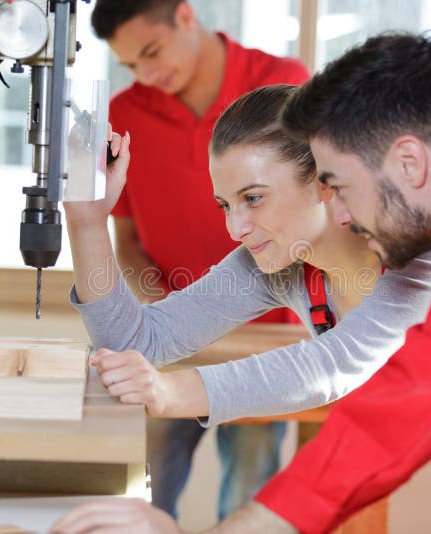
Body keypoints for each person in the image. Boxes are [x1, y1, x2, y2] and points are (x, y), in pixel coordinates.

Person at [52, 83, 431, 533]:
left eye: (254, 199)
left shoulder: (417, 250)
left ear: (326, 183)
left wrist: (173, 394)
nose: (236, 227)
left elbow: (335, 367)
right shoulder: (278, 265)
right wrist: (86, 221)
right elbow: (139, 340)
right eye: (225, 204)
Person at [89, 0, 309, 519]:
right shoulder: (125, 114)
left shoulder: (280, 83)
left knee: (248, 497)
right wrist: (168, 311)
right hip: (175, 344)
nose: (146, 73)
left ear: (185, 16)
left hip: (265, 343)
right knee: (145, 489)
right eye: (131, 65)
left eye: (151, 51)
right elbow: (126, 239)